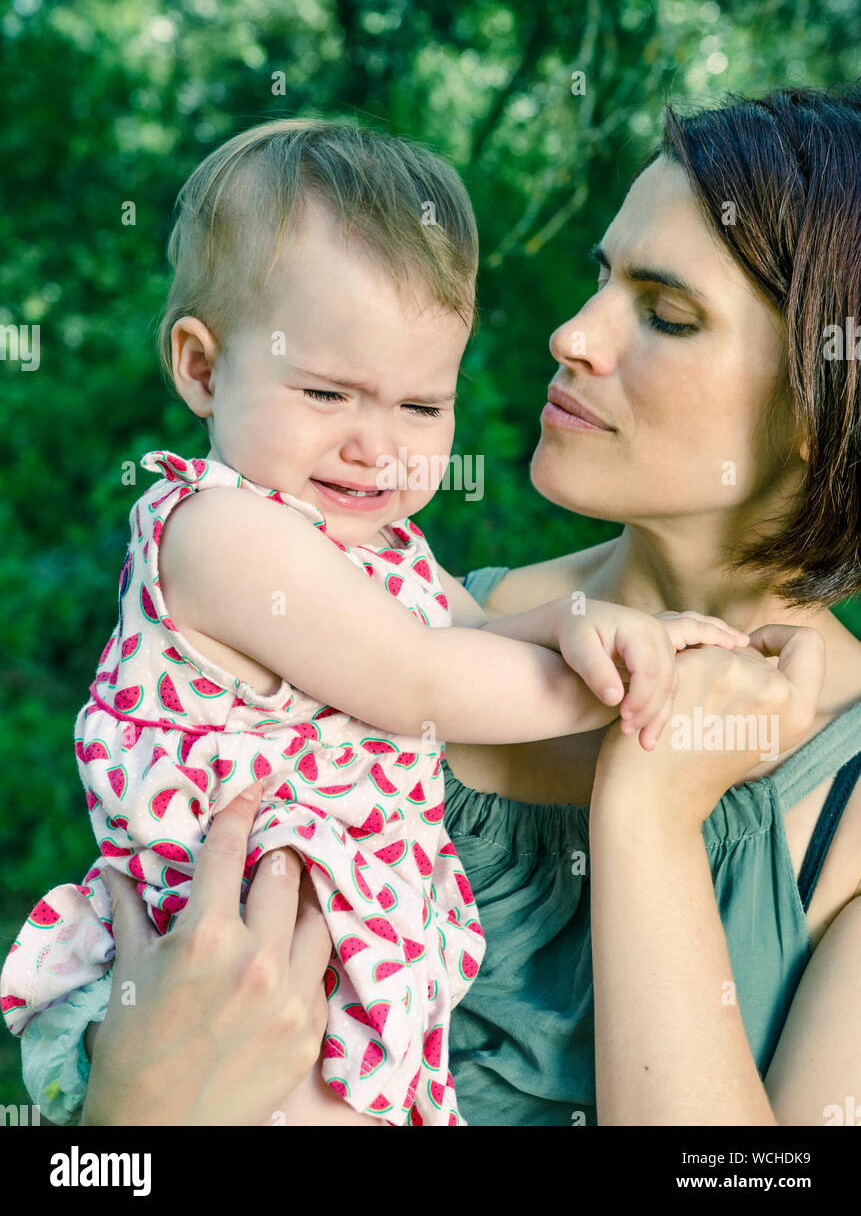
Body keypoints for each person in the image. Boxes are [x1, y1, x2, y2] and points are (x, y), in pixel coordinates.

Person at [18, 85, 861, 1127]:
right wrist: (136, 1112)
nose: (571, 333)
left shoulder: (846, 794)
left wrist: (647, 818)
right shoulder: (400, 606)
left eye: (665, 313)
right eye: (601, 278)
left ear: (829, 403)